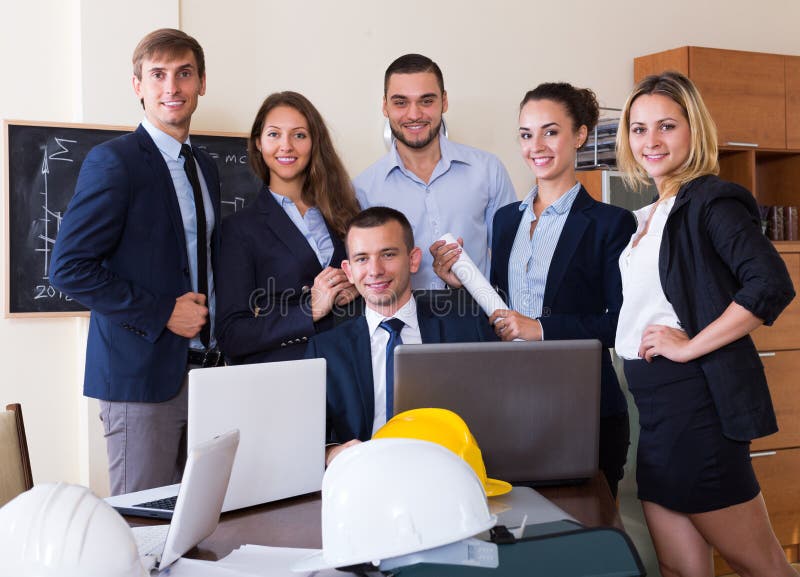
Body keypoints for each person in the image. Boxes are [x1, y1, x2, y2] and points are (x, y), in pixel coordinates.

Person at [615, 71, 797, 577]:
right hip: (654, 411)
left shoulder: (711, 200)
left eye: (667, 126)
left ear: (694, 130)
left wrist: (691, 346)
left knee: (762, 567)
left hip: (694, 407)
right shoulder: (648, 214)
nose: (651, 141)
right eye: (638, 128)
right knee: (681, 570)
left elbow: (769, 283)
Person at [431, 83, 636, 498]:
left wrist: (539, 329)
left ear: (579, 135)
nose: (535, 146)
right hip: (510, 407)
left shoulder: (611, 224)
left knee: (584, 537)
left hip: (585, 407)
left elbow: (619, 326)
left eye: (550, 131)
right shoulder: (506, 221)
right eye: (526, 134)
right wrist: (460, 283)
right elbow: (501, 314)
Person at [50, 28, 222, 495]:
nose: (172, 87)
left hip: (205, 375)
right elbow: (67, 267)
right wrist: (164, 311)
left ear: (201, 83)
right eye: (158, 75)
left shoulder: (205, 166)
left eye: (184, 74)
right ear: (137, 86)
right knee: (143, 533)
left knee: (198, 528)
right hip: (140, 378)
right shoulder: (115, 162)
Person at [305, 207, 495, 464]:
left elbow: (494, 412)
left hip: (447, 474)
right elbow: (306, 440)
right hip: (365, 478)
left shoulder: (464, 330)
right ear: (349, 271)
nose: (375, 270)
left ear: (413, 260)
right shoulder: (325, 349)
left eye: (388, 254)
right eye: (362, 259)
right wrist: (330, 452)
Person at [215, 91, 361, 365]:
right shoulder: (239, 229)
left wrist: (359, 289)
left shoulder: (347, 212)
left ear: (315, 142)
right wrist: (310, 310)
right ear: (258, 142)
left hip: (350, 369)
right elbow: (231, 334)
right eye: (274, 134)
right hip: (284, 378)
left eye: (299, 135)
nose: (286, 146)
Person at [354, 53, 516, 290]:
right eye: (400, 102)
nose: (414, 114)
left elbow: (512, 259)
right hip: (401, 324)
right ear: (385, 106)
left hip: (477, 321)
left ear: (444, 101)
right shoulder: (363, 189)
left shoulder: (488, 170)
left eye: (426, 101)